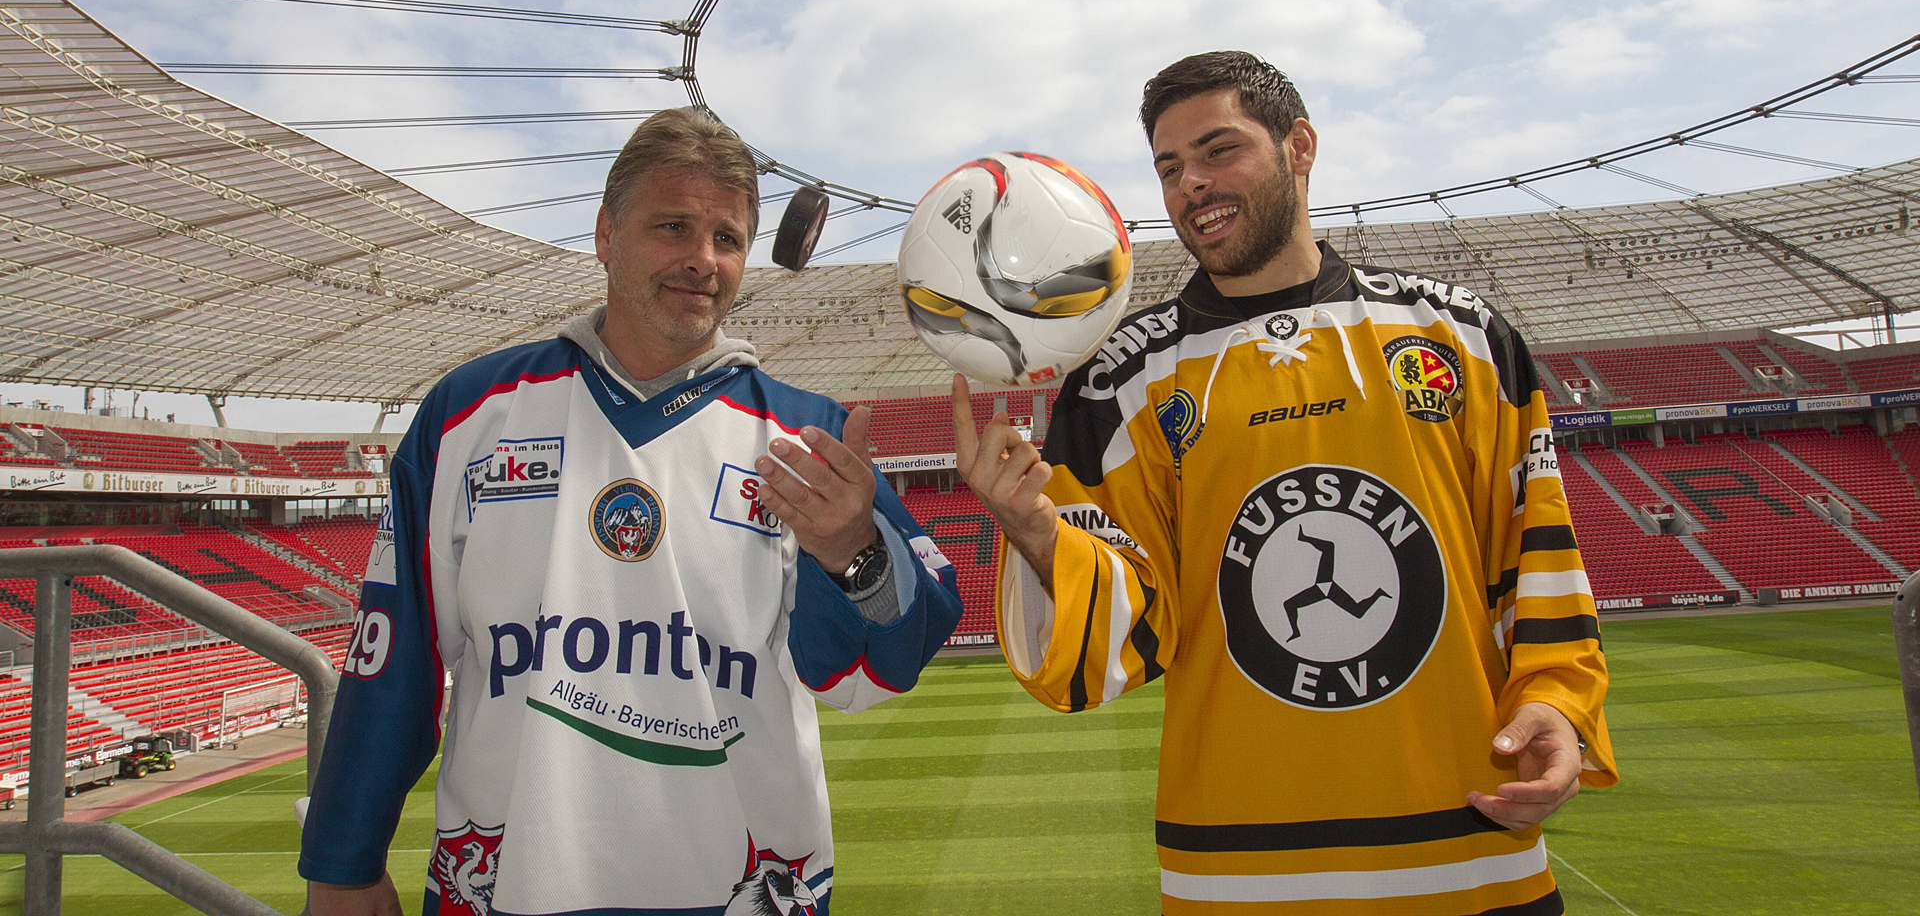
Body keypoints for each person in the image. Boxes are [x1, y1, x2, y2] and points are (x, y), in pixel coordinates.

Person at [956, 51, 1615, 915]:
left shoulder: (1458, 336)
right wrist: (1037, 532)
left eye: (1218, 150)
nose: (1191, 182)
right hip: (1237, 870)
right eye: (1168, 168)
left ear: (1299, 145)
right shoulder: (1118, 382)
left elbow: (1537, 557)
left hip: (1470, 851)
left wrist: (1559, 705)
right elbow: (1121, 639)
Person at [301, 107, 963, 916]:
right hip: (508, 891)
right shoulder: (470, 415)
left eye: (727, 238)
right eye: (673, 226)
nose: (702, 260)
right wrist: (344, 861)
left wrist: (854, 549)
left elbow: (873, 675)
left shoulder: (810, 437)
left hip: (739, 894)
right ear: (606, 235)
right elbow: (390, 658)